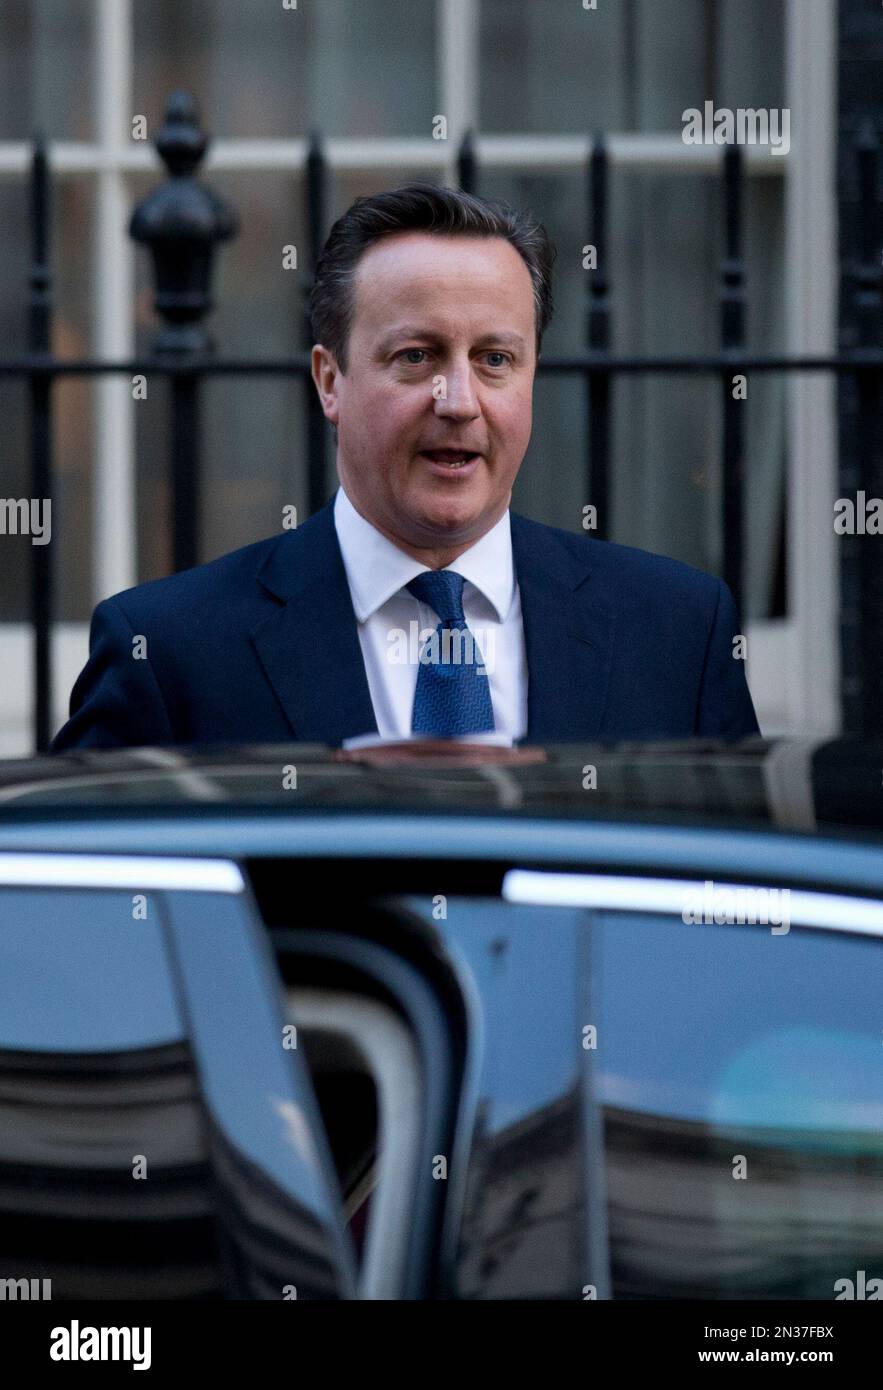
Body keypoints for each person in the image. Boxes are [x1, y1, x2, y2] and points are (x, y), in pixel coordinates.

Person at [51, 182, 759, 752]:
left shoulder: (676, 632)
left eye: (494, 360)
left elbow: (738, 902)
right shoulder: (169, 651)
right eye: (415, 356)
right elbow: (80, 909)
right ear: (330, 382)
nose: (457, 402)